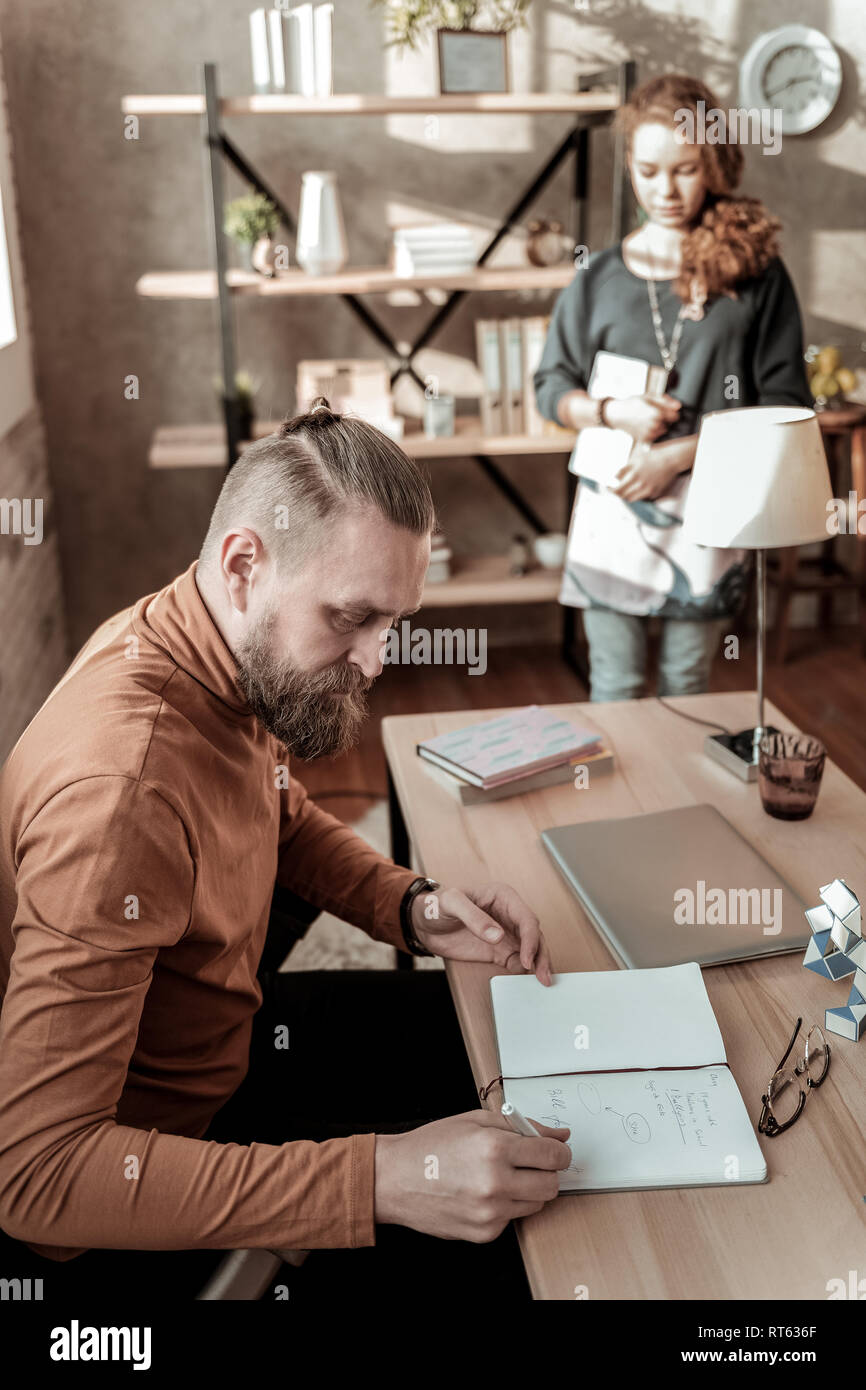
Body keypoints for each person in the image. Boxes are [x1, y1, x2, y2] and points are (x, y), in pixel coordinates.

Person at [0, 398, 570, 1304]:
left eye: (394, 621)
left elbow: (278, 812)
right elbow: (39, 1179)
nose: (377, 660)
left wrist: (411, 905)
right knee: (531, 1244)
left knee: (493, 1063)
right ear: (243, 565)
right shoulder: (119, 800)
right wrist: (388, 1178)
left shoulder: (205, 643)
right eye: (352, 617)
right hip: (144, 1181)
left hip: (230, 1050)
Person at [534, 73, 813, 703]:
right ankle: (624, 807)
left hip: (711, 509)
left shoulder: (757, 272)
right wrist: (613, 411)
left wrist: (674, 456)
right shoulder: (599, 276)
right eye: (649, 169)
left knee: (688, 685)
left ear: (713, 163)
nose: (666, 190)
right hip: (612, 511)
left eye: (685, 169)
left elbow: (787, 404)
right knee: (615, 683)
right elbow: (550, 388)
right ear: (629, 164)